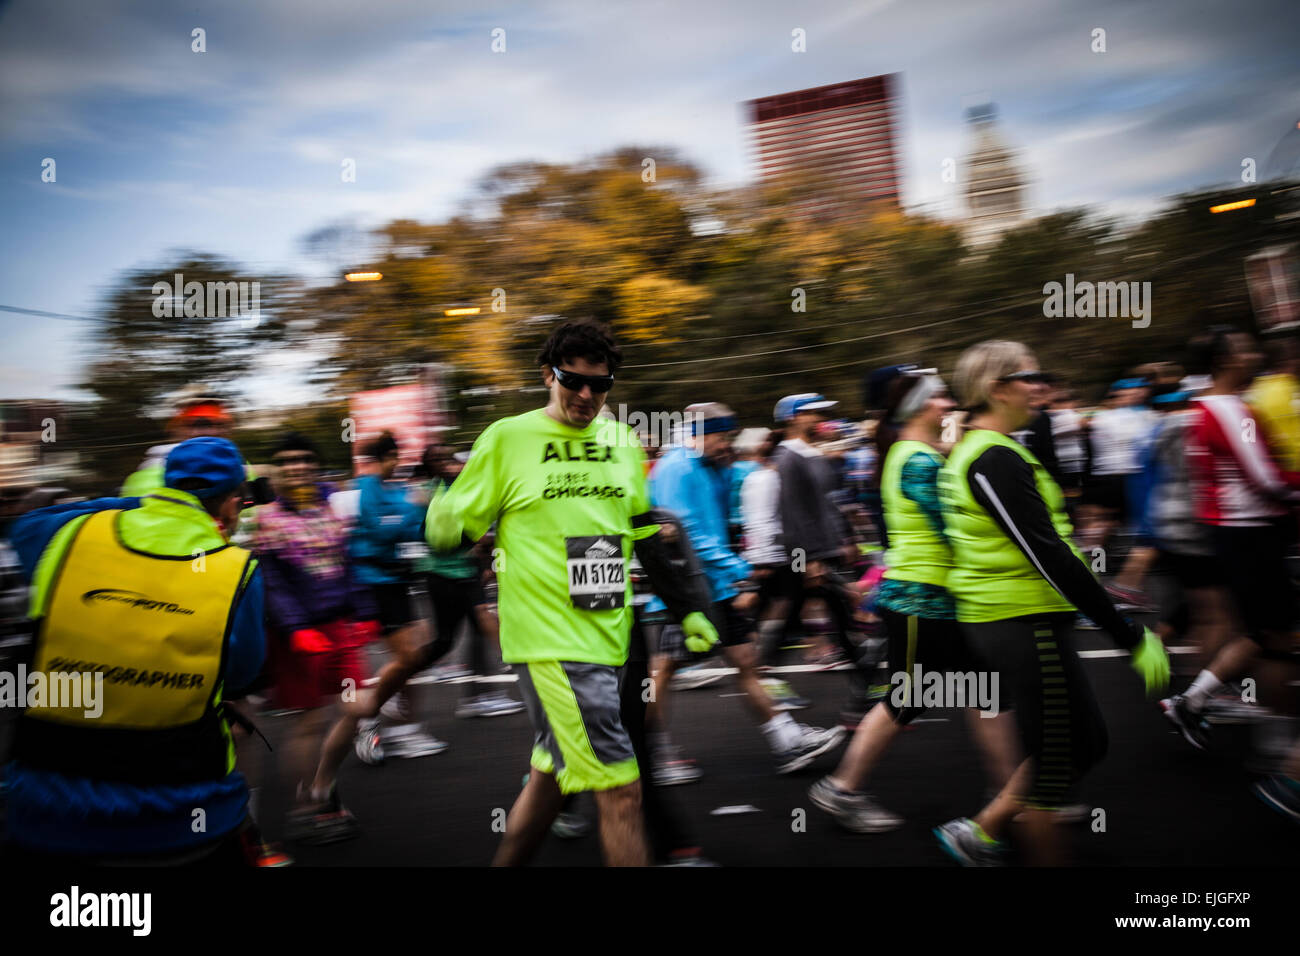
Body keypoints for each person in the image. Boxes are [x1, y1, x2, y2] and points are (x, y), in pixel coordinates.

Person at [423, 319, 719, 867]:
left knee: (550, 779)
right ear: (546, 375)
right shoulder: (508, 439)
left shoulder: (622, 441)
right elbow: (459, 529)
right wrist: (444, 524)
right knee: (622, 789)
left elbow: (645, 531)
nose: (586, 395)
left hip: (610, 637)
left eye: (599, 385)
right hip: (549, 642)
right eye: (572, 380)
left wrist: (689, 610)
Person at [933, 340, 1168, 866]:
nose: (1041, 385)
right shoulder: (991, 455)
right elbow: (1049, 555)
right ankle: (985, 833)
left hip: (1024, 615)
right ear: (997, 389)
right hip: (1019, 619)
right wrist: (1127, 634)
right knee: (1059, 760)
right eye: (1029, 376)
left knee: (1081, 744)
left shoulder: (993, 448)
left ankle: (983, 830)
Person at [6, 437, 268, 865]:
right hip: (182, 824)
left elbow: (26, 523)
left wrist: (139, 505)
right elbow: (241, 676)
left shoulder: (67, 534)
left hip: (46, 818)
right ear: (231, 504)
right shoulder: (238, 572)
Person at [810, 367, 1017, 833]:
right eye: (941, 397)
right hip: (922, 601)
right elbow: (957, 528)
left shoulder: (913, 453)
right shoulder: (917, 461)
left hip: (929, 599)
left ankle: (1012, 796)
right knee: (912, 701)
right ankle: (841, 789)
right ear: (923, 406)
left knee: (980, 694)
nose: (949, 404)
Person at [646, 402, 843, 782]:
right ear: (698, 434)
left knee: (746, 662)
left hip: (715, 588)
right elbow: (685, 536)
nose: (727, 445)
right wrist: (740, 568)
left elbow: (725, 521)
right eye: (722, 437)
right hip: (684, 593)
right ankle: (649, 753)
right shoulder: (676, 468)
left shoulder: (714, 468)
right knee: (664, 671)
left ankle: (788, 741)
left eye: (730, 438)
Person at [1162, 327, 1300, 753]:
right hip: (1250, 534)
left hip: (1239, 533)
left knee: (1267, 633)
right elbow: (1262, 477)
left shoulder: (1212, 406)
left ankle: (1197, 702)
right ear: (1225, 361)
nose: (1253, 354)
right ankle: (1277, 752)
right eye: (1243, 348)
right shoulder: (1231, 411)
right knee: (1277, 635)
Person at [249, 431, 381, 844]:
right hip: (297, 639)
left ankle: (322, 786)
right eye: (287, 460)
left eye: (304, 458)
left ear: (315, 465)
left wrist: (365, 613)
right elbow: (271, 582)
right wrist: (296, 628)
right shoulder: (266, 517)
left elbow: (349, 565)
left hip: (339, 628)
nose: (297, 466)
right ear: (276, 470)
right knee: (309, 722)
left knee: (358, 705)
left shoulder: (332, 509)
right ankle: (306, 809)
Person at [348, 431, 448, 762]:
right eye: (396, 457)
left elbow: (415, 531)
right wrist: (410, 508)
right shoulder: (363, 488)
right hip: (375, 584)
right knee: (408, 657)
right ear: (388, 457)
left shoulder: (396, 490)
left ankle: (405, 729)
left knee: (418, 653)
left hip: (397, 581)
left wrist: (413, 510)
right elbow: (381, 528)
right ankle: (367, 713)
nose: (399, 464)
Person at [121, 387, 236, 496]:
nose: (210, 431)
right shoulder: (151, 478)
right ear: (176, 431)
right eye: (196, 424)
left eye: (219, 425)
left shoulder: (237, 468)